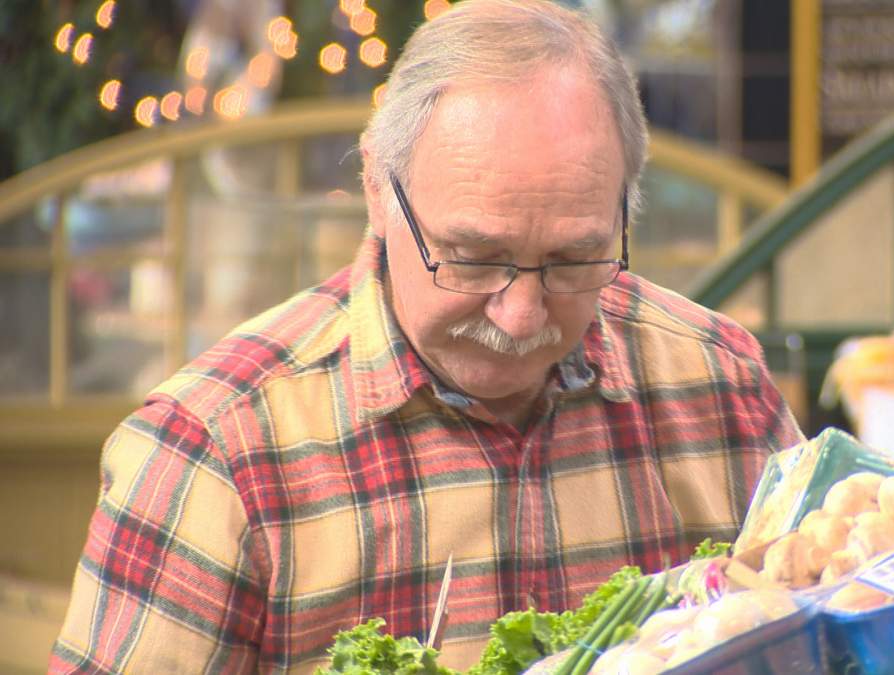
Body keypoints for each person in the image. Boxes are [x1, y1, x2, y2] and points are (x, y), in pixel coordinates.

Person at [51, 0, 803, 671]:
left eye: (575, 259)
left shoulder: (721, 385)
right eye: (474, 258)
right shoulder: (215, 450)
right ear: (378, 188)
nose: (521, 316)